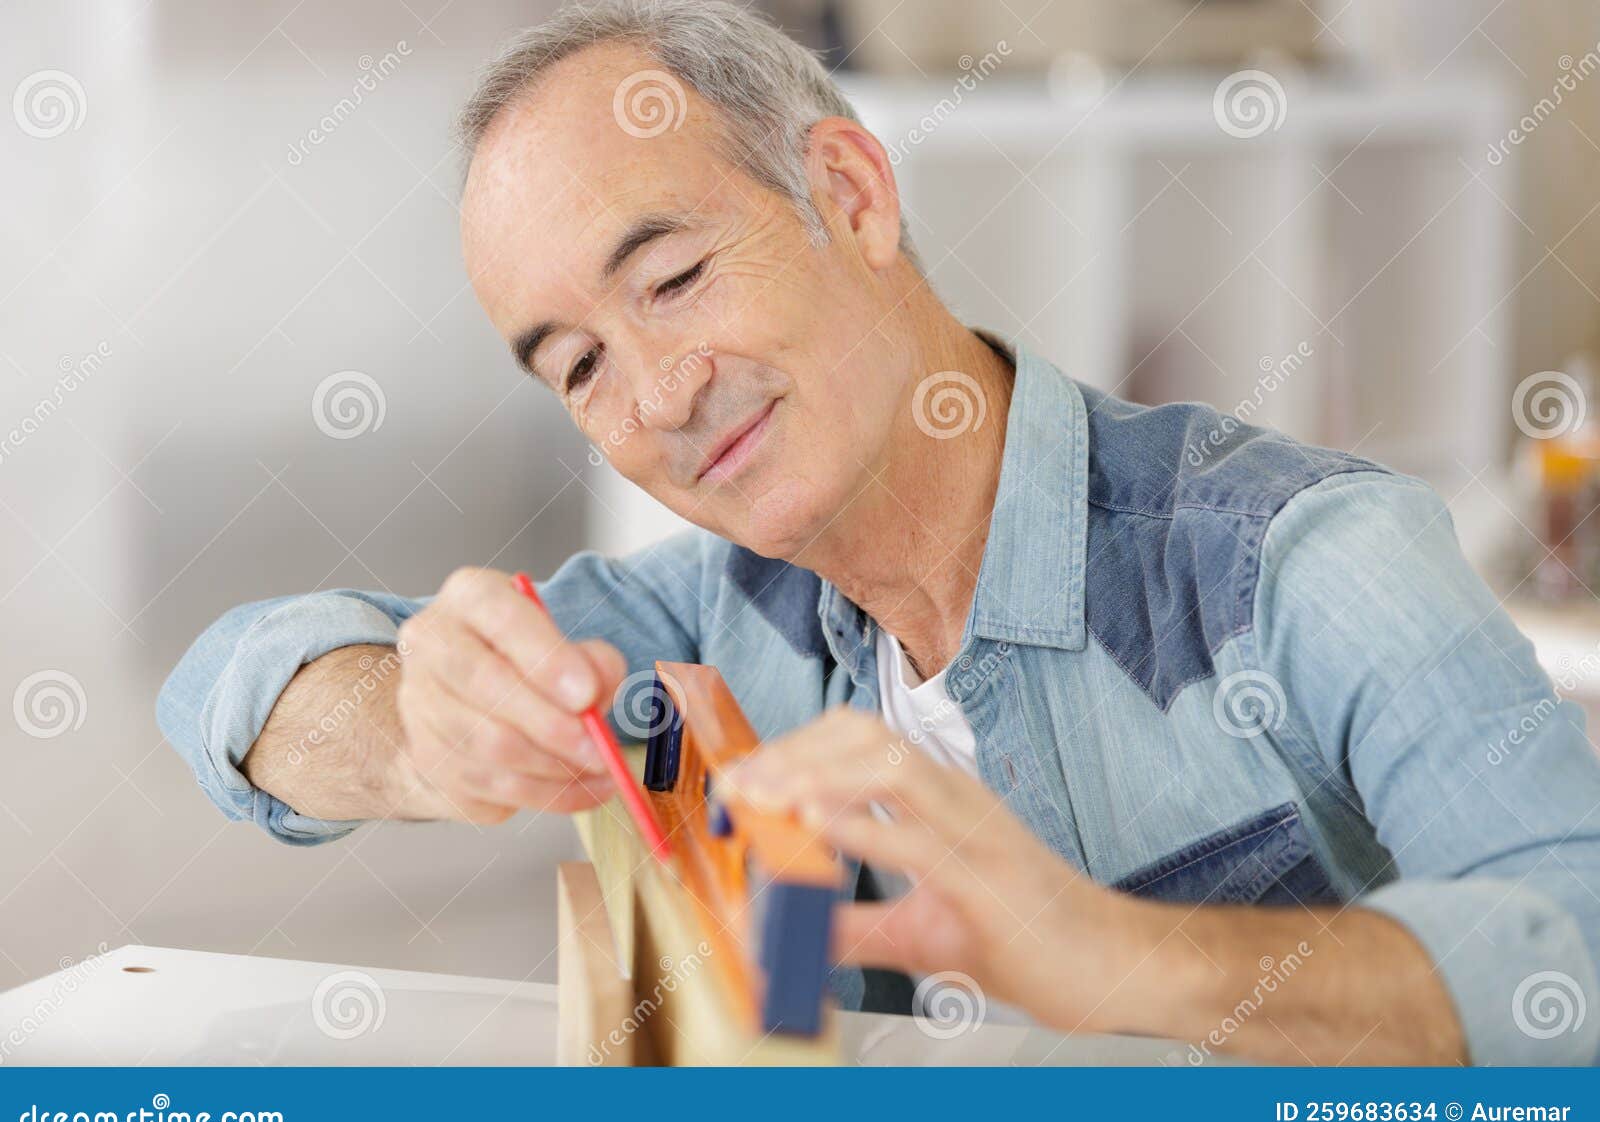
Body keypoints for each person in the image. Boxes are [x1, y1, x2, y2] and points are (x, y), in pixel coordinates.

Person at [158, 0, 1600, 1065]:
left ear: (850, 194)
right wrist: (413, 733)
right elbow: (228, 679)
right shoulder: (706, 627)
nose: (658, 395)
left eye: (670, 277)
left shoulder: (1298, 562)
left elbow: (1577, 962)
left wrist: (1118, 954)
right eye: (580, 366)